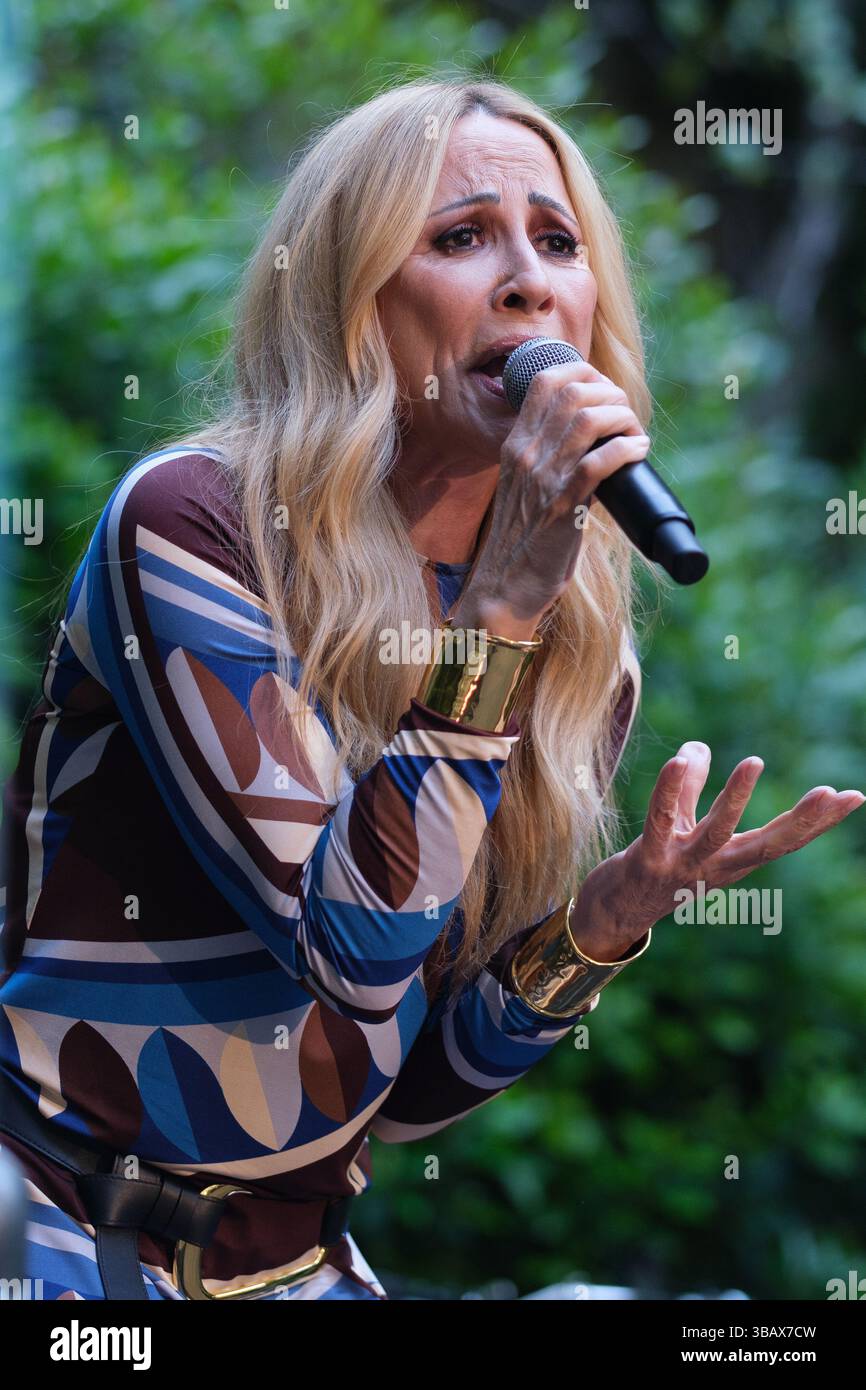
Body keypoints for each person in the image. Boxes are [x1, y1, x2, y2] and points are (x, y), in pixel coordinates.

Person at [0, 74, 862, 1302]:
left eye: (557, 243)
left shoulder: (570, 646)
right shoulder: (200, 525)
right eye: (462, 237)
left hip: (289, 1265)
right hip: (50, 1230)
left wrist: (603, 919)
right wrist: (500, 611)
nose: (528, 281)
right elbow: (344, 951)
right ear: (352, 302)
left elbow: (394, 1093)